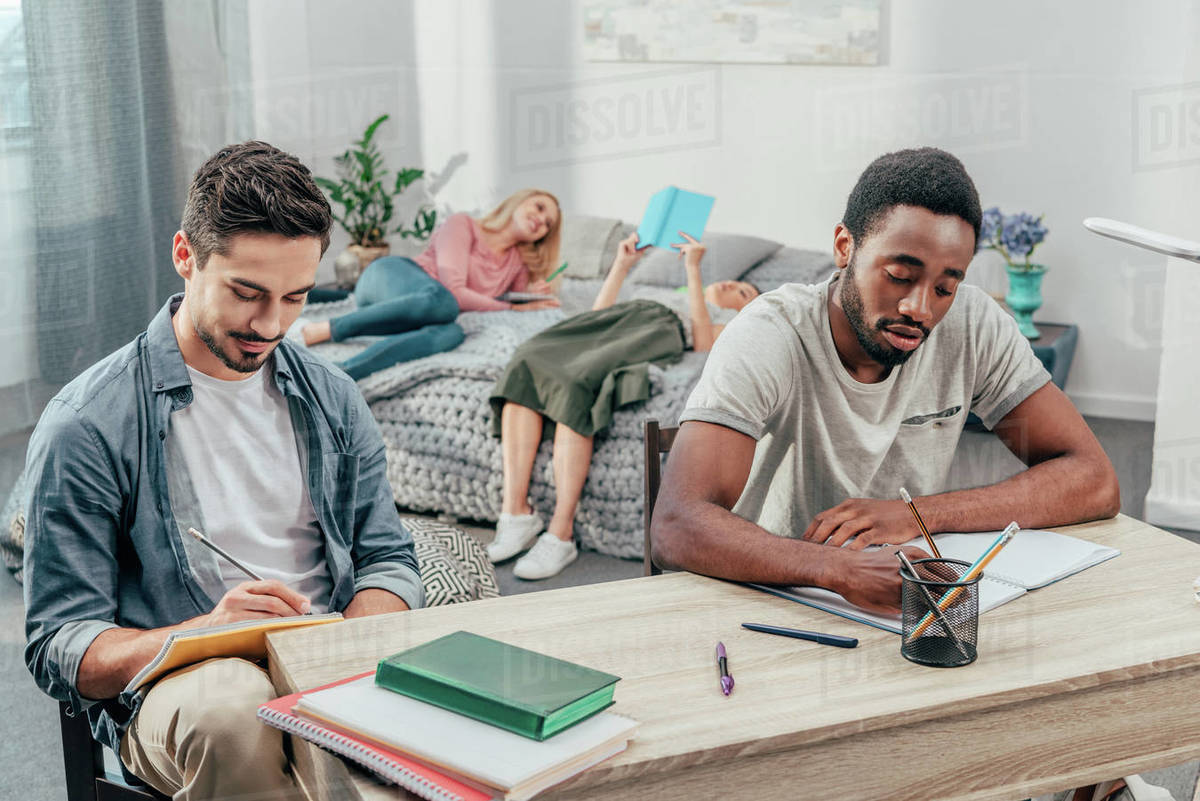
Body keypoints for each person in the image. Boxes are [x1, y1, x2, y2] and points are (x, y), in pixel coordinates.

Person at [22, 141, 424, 800]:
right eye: (247, 292)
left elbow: (386, 555)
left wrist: (352, 639)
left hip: (322, 648)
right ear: (186, 256)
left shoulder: (333, 396)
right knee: (235, 713)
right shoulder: (88, 424)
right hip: (185, 679)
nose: (271, 324)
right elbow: (60, 643)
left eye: (295, 297)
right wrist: (205, 630)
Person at [651, 147, 1121, 613]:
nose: (920, 309)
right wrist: (838, 569)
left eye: (945, 288)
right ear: (844, 247)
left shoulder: (974, 323)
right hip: (768, 598)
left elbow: (1094, 480)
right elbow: (676, 523)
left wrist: (916, 515)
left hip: (895, 596)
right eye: (899, 276)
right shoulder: (770, 334)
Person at [486, 230, 760, 579]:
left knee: (578, 379)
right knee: (526, 363)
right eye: (734, 283)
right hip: (615, 321)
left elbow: (703, 343)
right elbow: (598, 315)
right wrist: (621, 264)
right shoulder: (662, 293)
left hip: (654, 328)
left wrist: (694, 269)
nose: (733, 287)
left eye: (744, 292)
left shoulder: (725, 320)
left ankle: (561, 532)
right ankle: (516, 513)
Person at [300, 188, 564, 379]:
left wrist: (531, 296)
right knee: (444, 302)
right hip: (390, 277)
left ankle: (343, 374)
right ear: (520, 201)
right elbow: (457, 292)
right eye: (539, 208)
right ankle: (327, 329)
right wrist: (510, 308)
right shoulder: (464, 224)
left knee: (452, 333)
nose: (541, 220)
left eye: (547, 224)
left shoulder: (517, 263)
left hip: (420, 314)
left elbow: (510, 301)